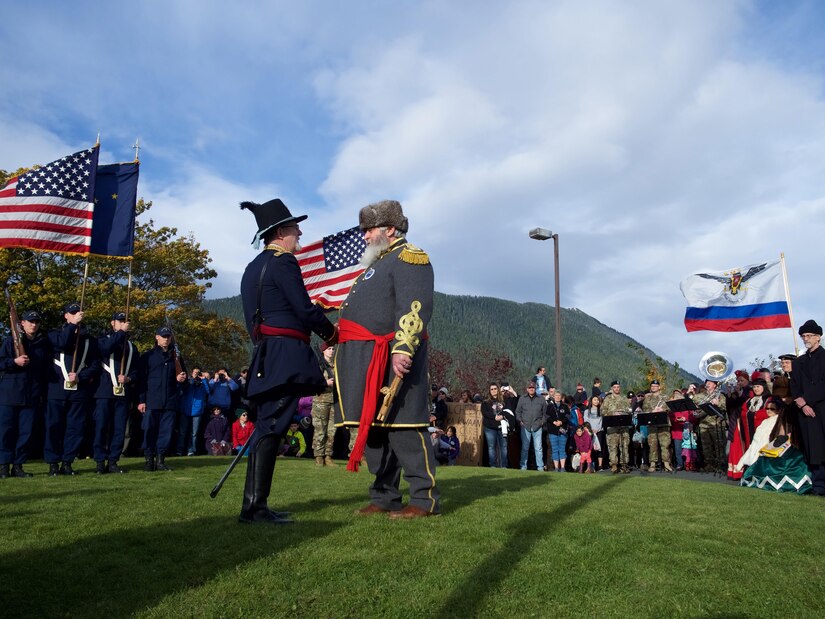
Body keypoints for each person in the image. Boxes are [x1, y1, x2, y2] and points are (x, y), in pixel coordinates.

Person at [334, 199, 440, 519]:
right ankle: (383, 496)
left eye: (369, 229)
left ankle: (424, 500)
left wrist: (402, 350)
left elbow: (413, 308)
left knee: (406, 428)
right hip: (369, 360)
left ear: (390, 229)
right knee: (377, 431)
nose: (364, 236)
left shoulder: (410, 258)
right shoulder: (378, 263)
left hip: (393, 356)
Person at [239, 198, 337, 524]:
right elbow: (304, 308)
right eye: (295, 228)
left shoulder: (252, 268)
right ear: (281, 232)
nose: (300, 233)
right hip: (284, 356)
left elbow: (253, 322)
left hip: (266, 354)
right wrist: (331, 333)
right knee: (272, 427)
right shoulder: (283, 263)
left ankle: (254, 506)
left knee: (268, 425)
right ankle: (255, 507)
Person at [45, 302, 100, 476]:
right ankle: (53, 462)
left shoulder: (89, 340)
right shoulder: (54, 335)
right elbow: (63, 344)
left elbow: (95, 364)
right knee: (53, 426)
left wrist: (81, 376)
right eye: (72, 313)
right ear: (66, 316)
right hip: (56, 390)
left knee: (75, 428)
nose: (76, 315)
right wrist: (72, 326)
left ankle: (67, 461)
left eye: (78, 313)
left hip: (78, 390)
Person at [0, 309, 51, 478]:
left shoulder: (42, 344)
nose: (34, 325)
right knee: (5, 431)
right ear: (22, 323)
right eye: (30, 322)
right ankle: (3, 466)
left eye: (36, 322)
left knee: (26, 432)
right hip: (10, 393)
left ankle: (18, 465)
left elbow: (44, 370)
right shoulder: (10, 341)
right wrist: (14, 361)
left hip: (32, 395)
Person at [92, 312, 138, 474]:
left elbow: (137, 371)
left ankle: (113, 460)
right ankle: (99, 460)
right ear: (113, 323)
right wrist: (120, 333)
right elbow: (105, 349)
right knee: (102, 427)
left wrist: (129, 378)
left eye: (125, 321)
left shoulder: (131, 347)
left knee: (119, 429)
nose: (123, 323)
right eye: (120, 321)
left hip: (122, 393)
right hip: (104, 391)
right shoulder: (104, 340)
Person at [137, 326, 187, 472]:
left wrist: (181, 378)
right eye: (163, 336)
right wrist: (141, 400)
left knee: (166, 432)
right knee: (149, 431)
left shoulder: (176, 357)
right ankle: (148, 460)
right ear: (156, 337)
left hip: (170, 401)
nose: (166, 339)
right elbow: (142, 380)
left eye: (168, 336)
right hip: (152, 400)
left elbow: (184, 378)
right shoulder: (148, 357)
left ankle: (160, 460)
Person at [738, 397, 812, 493]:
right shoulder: (766, 421)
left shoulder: (781, 416)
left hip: (791, 445)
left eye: (772, 409)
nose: (769, 411)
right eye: (767, 409)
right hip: (774, 446)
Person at [790, 319, 825, 496]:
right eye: (803, 336)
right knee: (812, 448)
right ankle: (818, 486)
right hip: (804, 410)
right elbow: (794, 386)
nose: (806, 339)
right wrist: (802, 403)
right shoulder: (798, 362)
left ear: (818, 337)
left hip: (822, 408)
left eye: (809, 336)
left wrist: (808, 399)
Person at [727, 374, 769, 481]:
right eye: (754, 387)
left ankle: (762, 473)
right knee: (750, 449)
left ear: (763, 387)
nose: (756, 389)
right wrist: (750, 414)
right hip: (749, 430)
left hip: (763, 431)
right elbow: (743, 411)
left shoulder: (768, 399)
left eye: (758, 387)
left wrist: (754, 415)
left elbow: (768, 412)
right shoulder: (749, 400)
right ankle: (751, 472)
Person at [693, 378, 727, 471]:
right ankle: (709, 465)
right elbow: (693, 403)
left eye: (710, 383)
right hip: (704, 424)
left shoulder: (720, 396)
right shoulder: (700, 396)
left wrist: (718, 403)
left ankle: (720, 465)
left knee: (719, 446)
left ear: (715, 385)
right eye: (706, 383)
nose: (707, 384)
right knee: (706, 447)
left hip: (716, 424)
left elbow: (724, 407)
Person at [312, 342, 337, 467]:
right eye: (328, 349)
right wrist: (324, 383)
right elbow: (312, 382)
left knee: (332, 430)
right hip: (320, 401)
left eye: (333, 348)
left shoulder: (336, 365)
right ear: (323, 351)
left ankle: (328, 456)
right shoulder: (317, 366)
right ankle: (319, 456)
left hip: (334, 401)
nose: (331, 351)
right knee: (320, 429)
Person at [641, 380, 673, 472]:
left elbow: (670, 407)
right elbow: (644, 408)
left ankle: (666, 463)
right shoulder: (647, 398)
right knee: (652, 445)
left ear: (659, 387)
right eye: (652, 386)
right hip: (652, 424)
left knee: (665, 444)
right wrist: (653, 410)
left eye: (655, 386)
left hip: (663, 423)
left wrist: (662, 409)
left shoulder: (665, 397)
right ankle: (653, 464)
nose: (653, 387)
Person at [178, 367, 210, 456]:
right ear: (191, 373)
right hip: (185, 410)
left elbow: (208, 391)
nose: (197, 374)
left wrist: (204, 380)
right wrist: (191, 379)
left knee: (194, 433)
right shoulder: (188, 382)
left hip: (197, 410)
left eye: (198, 372)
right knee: (182, 432)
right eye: (195, 372)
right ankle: (179, 450)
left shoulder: (202, 384)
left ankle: (191, 450)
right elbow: (182, 389)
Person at [515, 381, 546, 471]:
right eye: (530, 388)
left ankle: (540, 467)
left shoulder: (541, 399)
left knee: (538, 448)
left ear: (535, 389)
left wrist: (541, 422)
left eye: (533, 388)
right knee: (525, 447)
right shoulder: (522, 398)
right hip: (525, 426)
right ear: (527, 389)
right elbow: (518, 412)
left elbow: (545, 413)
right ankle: (523, 466)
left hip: (537, 426)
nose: (531, 389)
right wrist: (520, 421)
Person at [602, 380, 631, 473]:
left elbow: (630, 410)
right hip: (612, 426)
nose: (616, 389)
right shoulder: (608, 399)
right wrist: (613, 413)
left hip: (623, 426)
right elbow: (602, 411)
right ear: (611, 388)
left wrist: (624, 412)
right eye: (614, 387)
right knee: (612, 446)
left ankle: (624, 465)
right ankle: (614, 465)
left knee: (624, 446)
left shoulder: (624, 399)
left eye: (618, 387)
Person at [481, 383, 509, 468]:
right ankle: (492, 466)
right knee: (491, 447)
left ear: (498, 390)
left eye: (495, 389)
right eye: (492, 389)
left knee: (503, 447)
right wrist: (495, 417)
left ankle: (504, 466)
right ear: (489, 391)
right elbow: (484, 412)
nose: (493, 390)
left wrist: (503, 416)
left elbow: (509, 410)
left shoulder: (504, 400)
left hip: (502, 427)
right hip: (489, 427)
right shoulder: (485, 401)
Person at [545, 390, 569, 472]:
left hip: (563, 431)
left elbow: (568, 416)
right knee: (555, 449)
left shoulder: (565, 406)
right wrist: (554, 422)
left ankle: (562, 467)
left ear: (561, 397)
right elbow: (547, 416)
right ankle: (556, 468)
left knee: (562, 449)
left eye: (559, 395)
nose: (558, 397)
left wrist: (561, 422)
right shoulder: (549, 406)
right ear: (553, 396)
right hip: (553, 431)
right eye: (556, 395)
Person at [582, 395, 604, 470]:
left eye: (598, 400)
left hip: (599, 431)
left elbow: (602, 421)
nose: (596, 401)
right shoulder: (587, 411)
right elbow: (586, 421)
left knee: (600, 448)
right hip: (590, 432)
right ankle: (591, 465)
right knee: (591, 448)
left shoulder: (601, 411)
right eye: (595, 400)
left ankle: (600, 465)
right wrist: (590, 430)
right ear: (591, 401)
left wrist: (598, 429)